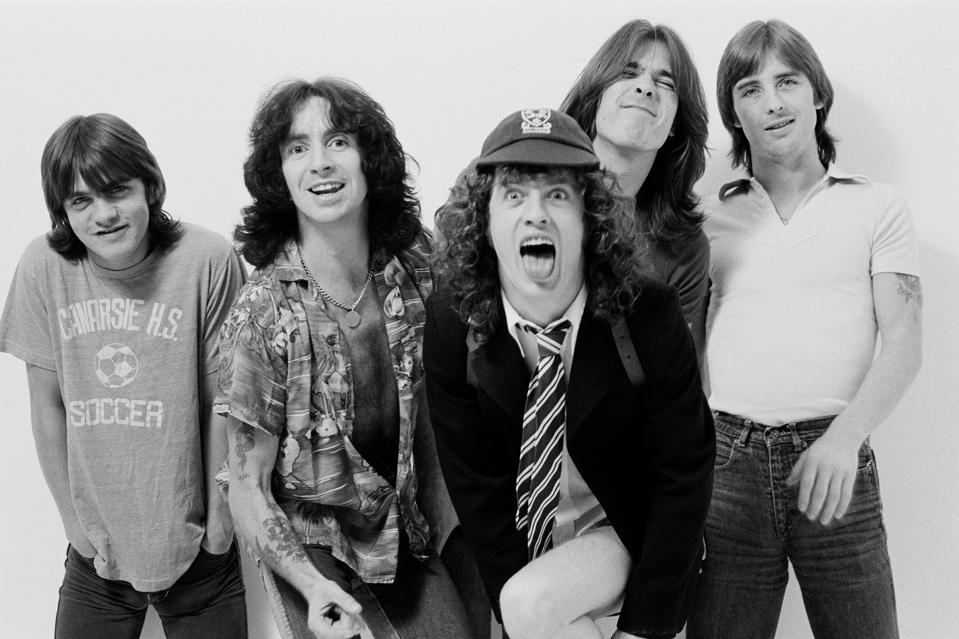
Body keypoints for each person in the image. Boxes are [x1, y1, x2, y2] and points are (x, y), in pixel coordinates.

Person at [425, 108, 714, 639]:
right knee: (529, 604)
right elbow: (475, 490)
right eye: (514, 195)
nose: (535, 214)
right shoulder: (452, 321)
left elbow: (685, 474)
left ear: (589, 219)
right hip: (525, 549)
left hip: (626, 531)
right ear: (484, 221)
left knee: (531, 602)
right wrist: (519, 618)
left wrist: (643, 631)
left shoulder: (648, 315)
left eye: (557, 194)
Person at [215, 77, 479, 639]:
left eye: (338, 141)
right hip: (310, 544)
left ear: (369, 159)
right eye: (298, 147)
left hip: (405, 529)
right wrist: (311, 587)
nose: (320, 162)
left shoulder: (416, 267)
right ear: (280, 174)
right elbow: (246, 486)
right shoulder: (262, 311)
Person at [687, 20, 922, 639]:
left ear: (817, 94)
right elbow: (684, 345)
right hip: (728, 466)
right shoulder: (707, 217)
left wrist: (844, 440)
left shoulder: (877, 206)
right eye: (750, 89)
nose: (772, 102)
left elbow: (904, 342)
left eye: (786, 81)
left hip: (837, 462)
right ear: (734, 116)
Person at [0, 113, 248, 638]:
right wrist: (75, 526)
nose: (104, 214)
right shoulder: (44, 267)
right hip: (96, 555)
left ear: (150, 187)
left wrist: (220, 524)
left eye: (117, 191)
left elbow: (223, 400)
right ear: (63, 212)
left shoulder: (206, 260)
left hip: (201, 552)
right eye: (80, 201)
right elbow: (46, 404)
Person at [560, 19, 710, 360]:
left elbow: (672, 376)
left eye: (665, 82)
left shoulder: (684, 248)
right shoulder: (519, 185)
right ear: (596, 97)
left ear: (675, 125)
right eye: (629, 73)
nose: (645, 88)